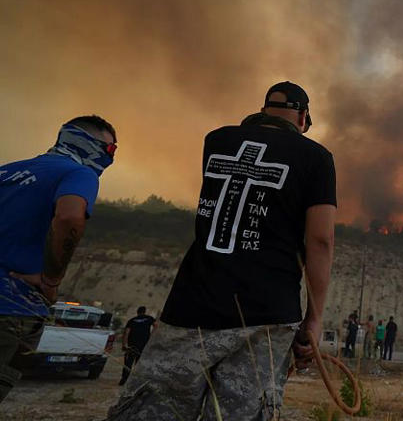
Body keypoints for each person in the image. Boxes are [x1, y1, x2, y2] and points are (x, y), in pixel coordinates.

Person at [106, 81, 336, 420]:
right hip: (267, 315)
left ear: (263, 110)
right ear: (303, 117)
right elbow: (321, 240)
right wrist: (314, 320)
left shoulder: (217, 141)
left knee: (152, 411)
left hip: (190, 307)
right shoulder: (315, 157)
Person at [0, 116, 117, 403]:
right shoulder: (78, 174)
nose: (111, 158)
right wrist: (51, 280)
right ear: (91, 144)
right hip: (11, 305)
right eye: (112, 149)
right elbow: (69, 216)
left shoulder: (7, 171)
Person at [119, 306, 157, 386]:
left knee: (128, 363)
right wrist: (152, 335)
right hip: (144, 345)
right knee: (139, 364)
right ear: (144, 311)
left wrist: (124, 345)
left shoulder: (131, 320)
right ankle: (136, 382)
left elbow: (126, 333)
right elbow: (156, 325)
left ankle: (124, 380)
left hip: (132, 346)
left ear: (137, 312)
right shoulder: (149, 318)